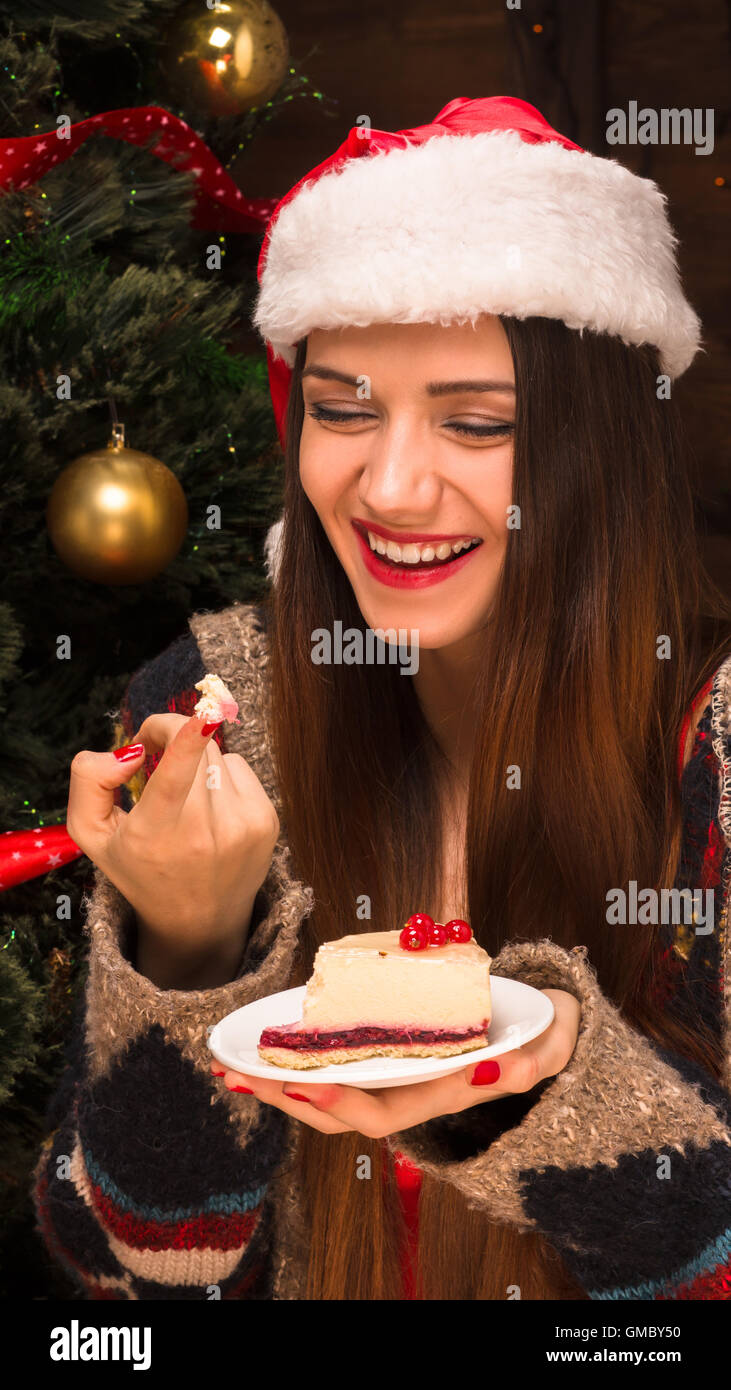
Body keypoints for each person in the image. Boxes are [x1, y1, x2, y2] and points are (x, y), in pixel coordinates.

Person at [33, 97, 731, 1301]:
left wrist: (561, 1089)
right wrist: (190, 954)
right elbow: (133, 1269)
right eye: (342, 409)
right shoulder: (216, 702)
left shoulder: (711, 741)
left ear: (600, 451)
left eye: (475, 422)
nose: (390, 486)